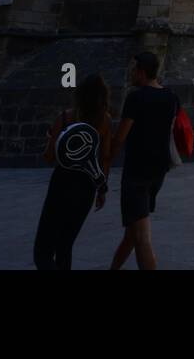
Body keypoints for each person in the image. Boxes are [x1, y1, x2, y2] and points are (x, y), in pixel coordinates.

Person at [33, 73, 112, 270]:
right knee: (65, 246)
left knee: (42, 252)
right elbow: (105, 158)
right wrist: (102, 189)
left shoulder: (65, 118)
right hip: (86, 187)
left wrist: (50, 138)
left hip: (62, 183)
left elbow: (49, 157)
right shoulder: (105, 121)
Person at [111, 51, 181, 269]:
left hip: (136, 174)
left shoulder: (136, 97)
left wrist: (103, 166)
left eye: (134, 69)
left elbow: (120, 138)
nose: (131, 73)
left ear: (141, 72)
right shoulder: (171, 97)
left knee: (141, 239)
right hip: (158, 172)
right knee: (133, 232)